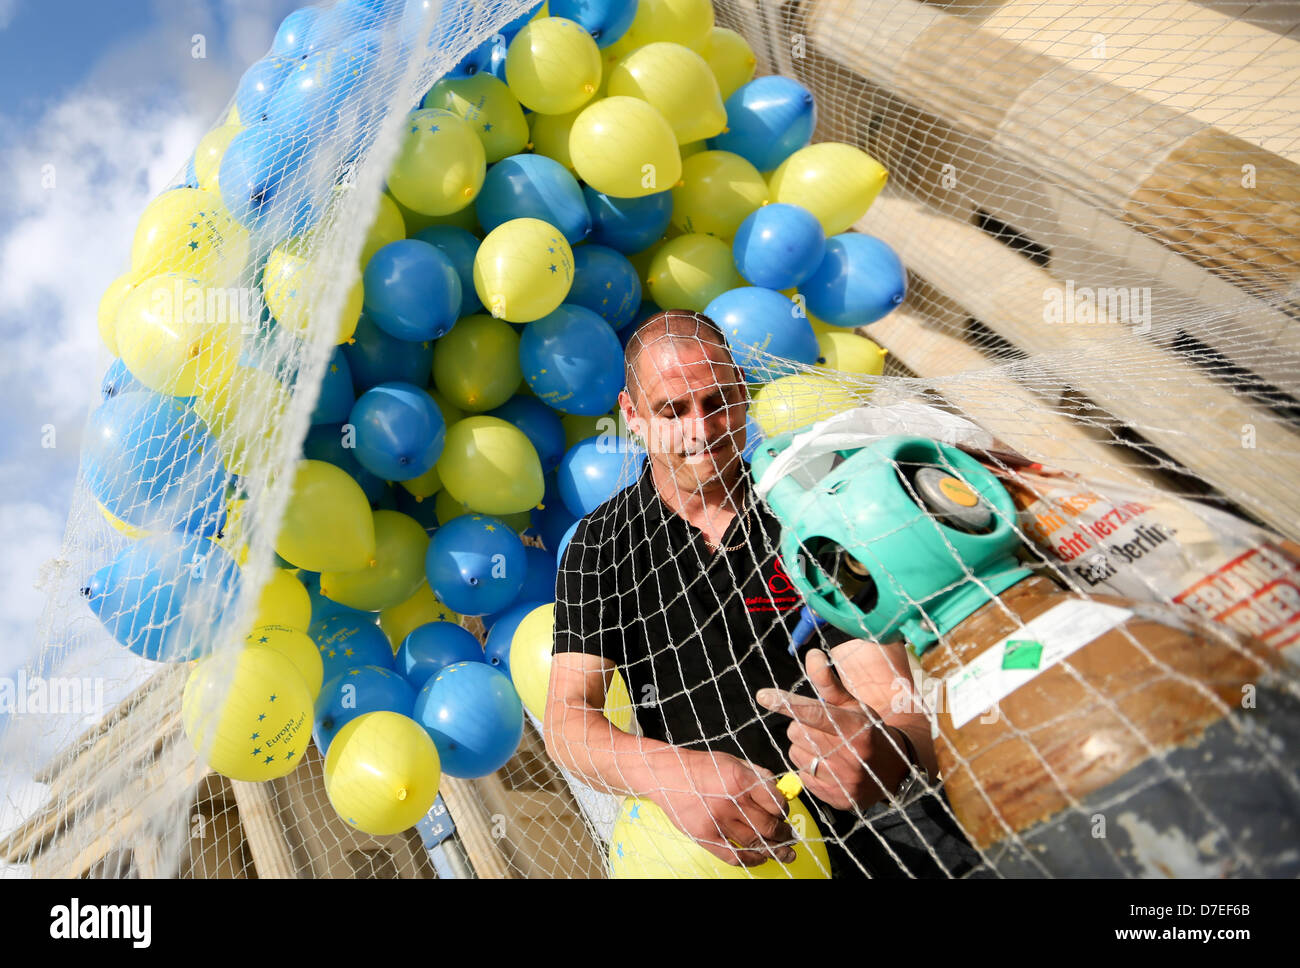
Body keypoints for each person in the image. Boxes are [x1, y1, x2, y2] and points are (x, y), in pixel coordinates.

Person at [543, 309, 983, 878]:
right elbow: (567, 719)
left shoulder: (807, 504)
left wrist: (880, 754)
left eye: (718, 401)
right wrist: (669, 773)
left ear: (745, 395)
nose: (701, 430)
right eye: (673, 410)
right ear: (632, 416)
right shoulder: (599, 547)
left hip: (888, 833)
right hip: (733, 856)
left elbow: (896, 703)